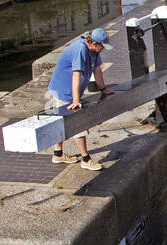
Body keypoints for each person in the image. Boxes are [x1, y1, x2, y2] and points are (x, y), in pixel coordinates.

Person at [46, 28, 115, 170]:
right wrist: (76, 100)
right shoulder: (80, 49)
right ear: (94, 43)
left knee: (62, 122)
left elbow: (97, 70)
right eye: (102, 46)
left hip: (72, 92)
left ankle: (58, 154)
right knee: (78, 123)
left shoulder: (94, 51)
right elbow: (76, 75)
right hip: (63, 91)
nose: (102, 49)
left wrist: (103, 89)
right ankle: (86, 159)